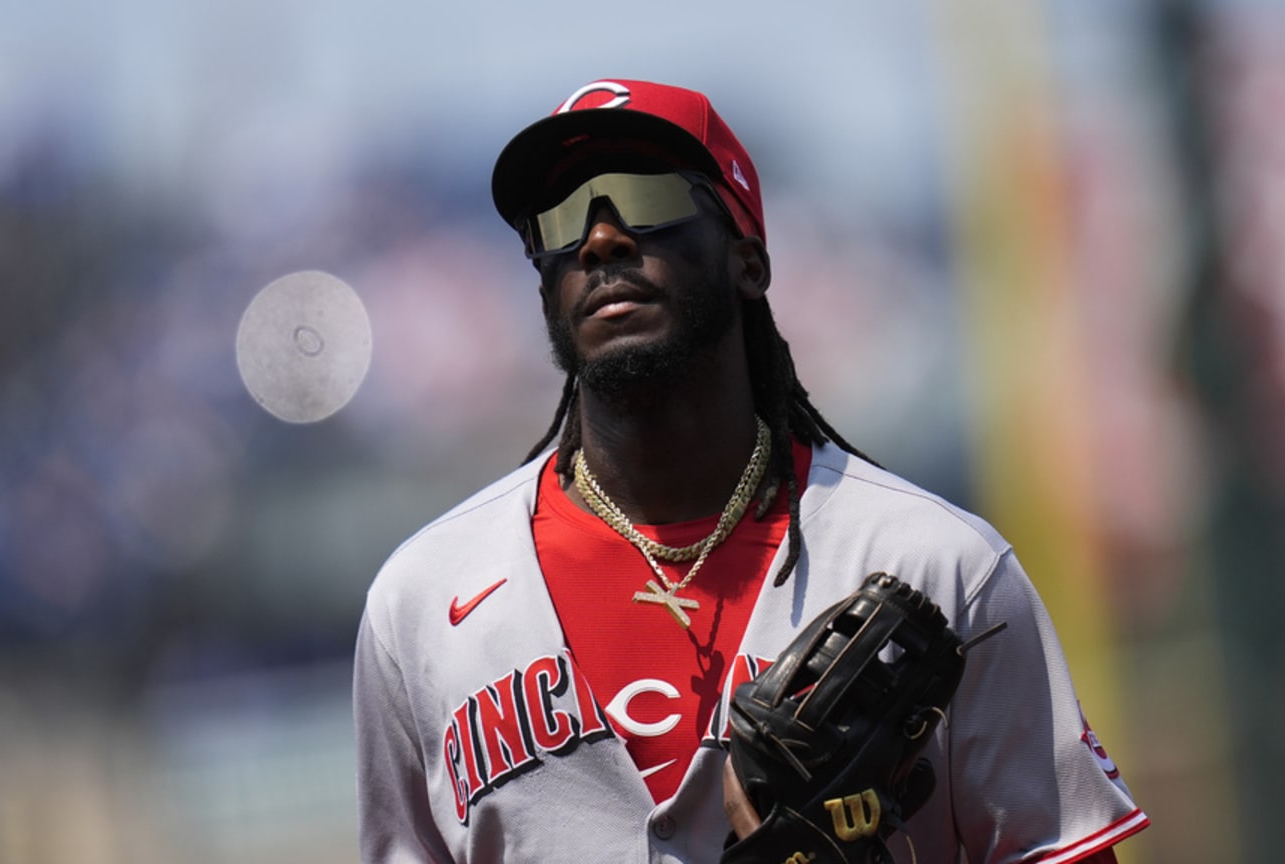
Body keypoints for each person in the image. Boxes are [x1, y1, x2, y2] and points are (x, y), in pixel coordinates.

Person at [352, 78, 1148, 863]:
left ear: (749, 260)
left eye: (644, 197)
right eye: (562, 221)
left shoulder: (937, 566)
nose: (599, 240)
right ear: (545, 287)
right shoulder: (419, 606)